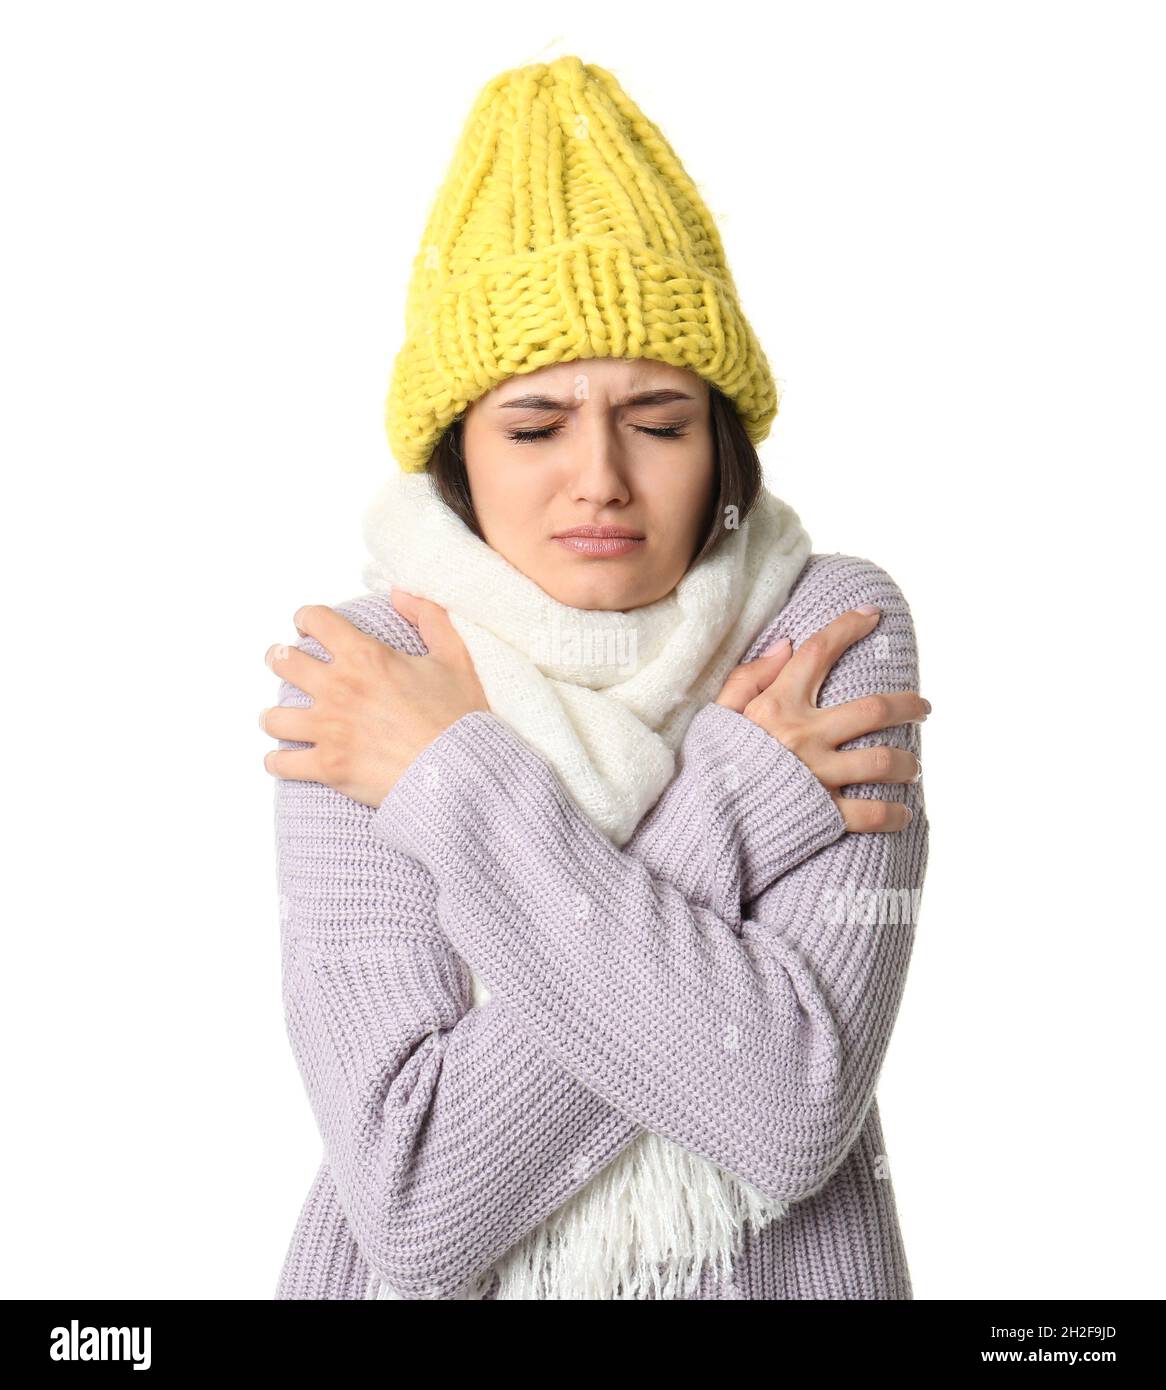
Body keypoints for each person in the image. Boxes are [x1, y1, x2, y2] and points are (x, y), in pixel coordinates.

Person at [259, 55, 930, 1300]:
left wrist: (451, 784)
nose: (601, 479)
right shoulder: (367, 679)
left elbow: (784, 1105)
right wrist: (742, 791)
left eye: (660, 421)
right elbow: (415, 1203)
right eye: (534, 426)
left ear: (721, 440)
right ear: (456, 452)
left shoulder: (829, 628)